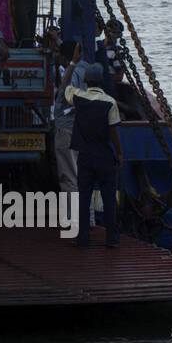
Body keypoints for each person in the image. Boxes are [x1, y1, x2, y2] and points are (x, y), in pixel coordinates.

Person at [65, 63, 123, 248]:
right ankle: (112, 239)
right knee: (108, 199)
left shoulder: (79, 97)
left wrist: (72, 64)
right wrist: (119, 153)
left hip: (85, 156)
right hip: (104, 155)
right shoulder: (110, 102)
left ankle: (83, 238)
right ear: (101, 81)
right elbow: (113, 131)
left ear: (86, 81)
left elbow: (64, 86)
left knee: (83, 198)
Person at [52, 39, 88, 194]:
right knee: (83, 177)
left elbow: (70, 96)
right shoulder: (86, 68)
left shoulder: (72, 73)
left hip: (68, 128)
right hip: (84, 128)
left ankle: (74, 218)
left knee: (69, 178)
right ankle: (88, 218)